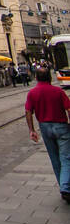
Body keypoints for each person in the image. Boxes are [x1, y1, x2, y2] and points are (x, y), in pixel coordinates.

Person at [25, 67, 70, 201]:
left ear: (36, 78)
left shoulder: (32, 93)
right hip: (61, 126)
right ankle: (65, 187)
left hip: (45, 127)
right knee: (66, 157)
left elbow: (28, 112)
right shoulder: (58, 91)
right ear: (50, 78)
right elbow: (69, 109)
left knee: (55, 158)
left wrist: (31, 130)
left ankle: (63, 186)